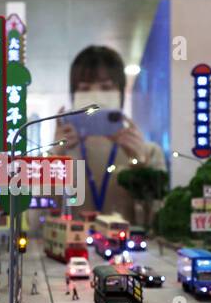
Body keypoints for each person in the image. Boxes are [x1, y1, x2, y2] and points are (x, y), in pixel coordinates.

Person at [54, 45, 167, 222]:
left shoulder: (150, 153)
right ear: (73, 97)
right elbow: (36, 223)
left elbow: (159, 222)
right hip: (73, 246)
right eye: (84, 89)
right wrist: (53, 156)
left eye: (106, 88)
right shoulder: (62, 155)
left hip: (130, 248)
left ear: (121, 94)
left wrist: (141, 165)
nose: (96, 97)